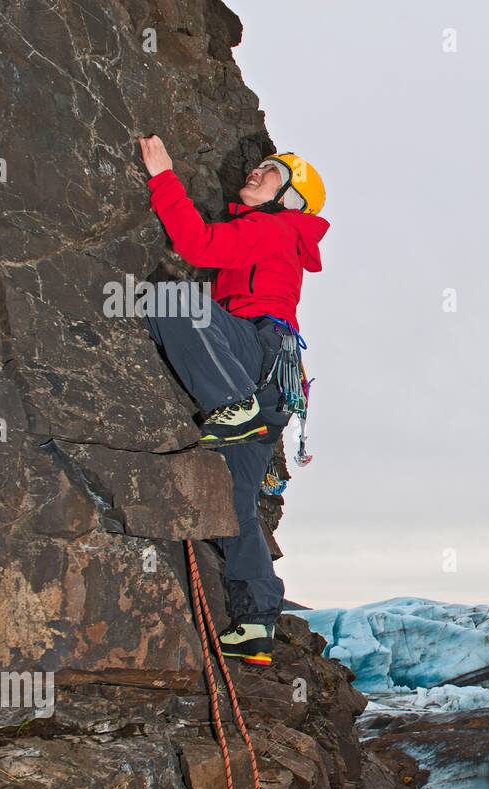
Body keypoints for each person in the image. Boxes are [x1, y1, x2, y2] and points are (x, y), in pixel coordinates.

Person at [136, 135, 328, 666]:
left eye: (270, 172)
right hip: (278, 385)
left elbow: (197, 246)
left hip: (253, 357)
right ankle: (256, 621)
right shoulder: (285, 235)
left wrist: (162, 175)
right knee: (237, 503)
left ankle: (229, 405)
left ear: (288, 198)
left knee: (169, 298)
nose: (256, 171)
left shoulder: (269, 228)